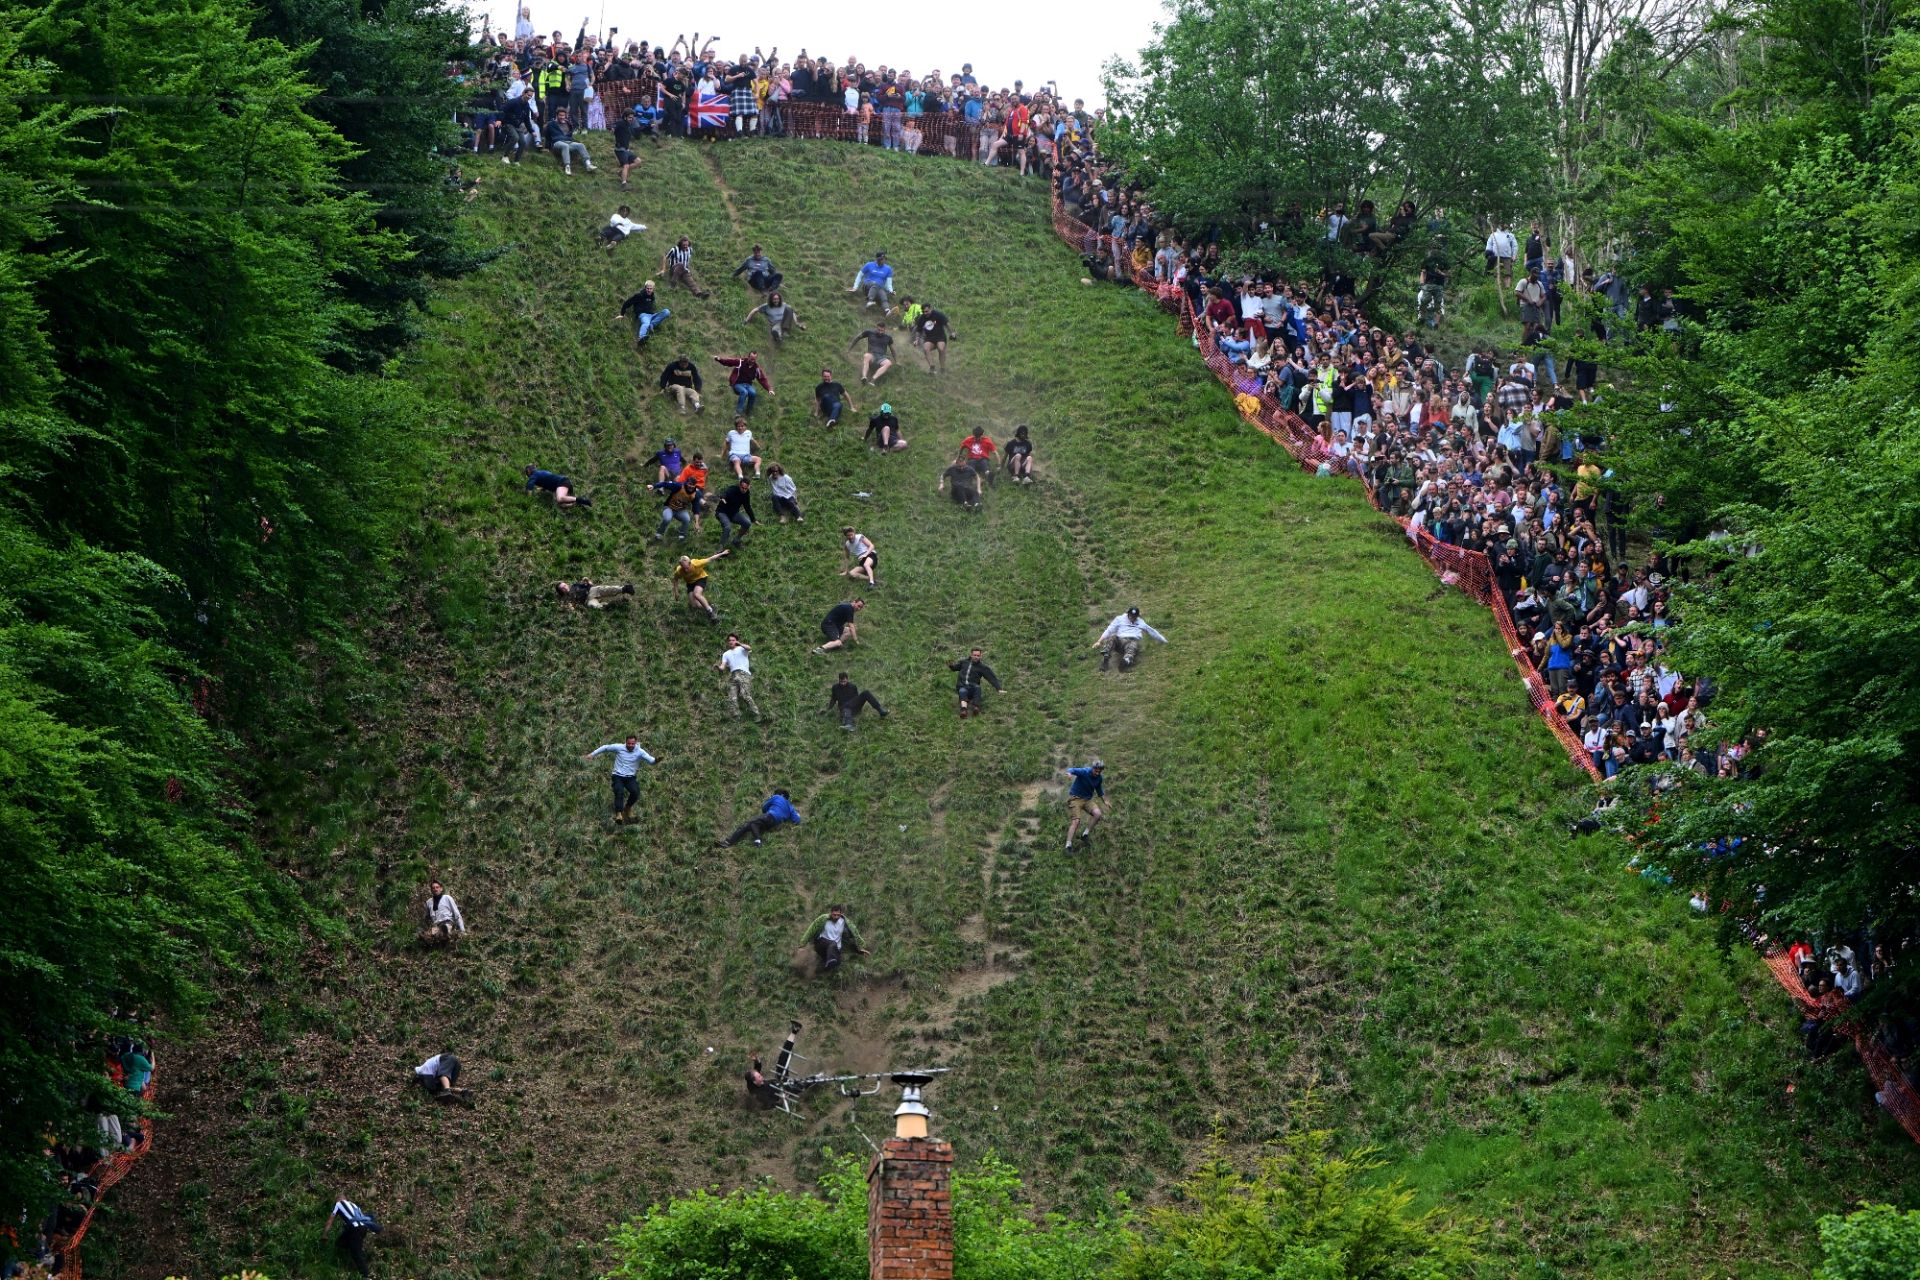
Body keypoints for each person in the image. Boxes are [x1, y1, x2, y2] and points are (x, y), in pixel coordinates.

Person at [584, 734, 659, 825]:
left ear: (635, 743)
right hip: (618, 776)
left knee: (635, 792)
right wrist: (592, 754)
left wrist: (656, 760)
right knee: (619, 791)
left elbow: (651, 761)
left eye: (632, 744)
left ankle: (627, 808)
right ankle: (619, 813)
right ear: (625, 742)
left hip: (630, 777)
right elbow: (605, 747)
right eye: (629, 743)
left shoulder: (640, 752)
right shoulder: (619, 747)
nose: (631, 745)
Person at [800, 904, 870, 973]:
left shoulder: (845, 922)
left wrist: (859, 949)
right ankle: (830, 960)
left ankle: (816, 972)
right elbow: (811, 930)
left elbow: (854, 934)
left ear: (841, 914)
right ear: (830, 913)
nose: (836, 917)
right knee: (832, 944)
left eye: (838, 915)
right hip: (821, 944)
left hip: (835, 949)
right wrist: (802, 945)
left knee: (837, 962)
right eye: (834, 914)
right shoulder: (823, 919)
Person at [720, 788, 802, 847]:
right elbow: (797, 820)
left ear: (780, 794)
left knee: (747, 823)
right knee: (753, 824)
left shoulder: (777, 797)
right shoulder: (791, 807)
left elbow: (764, 808)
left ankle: (729, 842)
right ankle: (756, 841)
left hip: (770, 816)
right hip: (774, 823)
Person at [1096, 606, 1168, 671]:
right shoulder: (1119, 619)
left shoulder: (1141, 622)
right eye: (1131, 616)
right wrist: (1099, 641)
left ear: (1137, 616)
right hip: (1119, 641)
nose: (1132, 618)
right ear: (1128, 614)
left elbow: (1151, 631)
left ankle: (1125, 662)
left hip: (1132, 641)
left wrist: (1163, 640)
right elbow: (1109, 630)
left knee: (1133, 644)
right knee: (1112, 637)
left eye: (1134, 616)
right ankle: (1105, 661)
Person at [327, 1197, 382, 1277]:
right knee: (340, 1243)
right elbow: (360, 1217)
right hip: (363, 1228)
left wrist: (325, 1234)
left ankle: (366, 1274)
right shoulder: (354, 1205)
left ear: (339, 1199)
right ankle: (351, 1261)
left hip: (355, 1228)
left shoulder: (338, 1204)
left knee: (356, 1251)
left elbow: (331, 1219)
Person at [672, 550, 729, 621]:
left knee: (697, 594)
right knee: (695, 605)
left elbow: (711, 558)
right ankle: (711, 606)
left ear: (690, 563)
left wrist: (722, 553)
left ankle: (711, 612)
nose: (686, 570)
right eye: (684, 568)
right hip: (690, 584)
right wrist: (676, 592)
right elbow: (675, 580)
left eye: (687, 567)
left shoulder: (696, 563)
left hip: (700, 578)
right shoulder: (679, 571)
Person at [715, 633, 761, 719]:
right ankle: (736, 716)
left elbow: (749, 648)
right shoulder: (726, 654)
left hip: (744, 674)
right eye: (729, 640)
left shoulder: (742, 649)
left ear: (736, 640)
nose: (731, 642)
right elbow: (723, 666)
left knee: (744, 695)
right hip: (733, 675)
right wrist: (719, 667)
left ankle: (756, 714)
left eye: (733, 640)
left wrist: (739, 644)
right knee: (732, 697)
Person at [948, 647, 1003, 718]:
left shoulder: (982, 667)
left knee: (977, 687)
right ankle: (963, 710)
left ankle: (976, 707)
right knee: (962, 691)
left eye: (978, 656)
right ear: (971, 655)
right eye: (975, 655)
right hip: (962, 686)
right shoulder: (964, 662)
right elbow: (955, 668)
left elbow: (991, 678)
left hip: (973, 688)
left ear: (980, 656)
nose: (976, 657)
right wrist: (951, 666)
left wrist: (999, 688)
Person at [713, 351, 772, 416]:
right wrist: (719, 359)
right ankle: (738, 412)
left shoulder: (756, 368)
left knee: (753, 393)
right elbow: (729, 362)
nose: (752, 361)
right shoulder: (741, 362)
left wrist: (769, 389)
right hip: (737, 384)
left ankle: (748, 413)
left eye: (754, 359)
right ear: (748, 357)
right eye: (751, 359)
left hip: (748, 385)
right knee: (744, 392)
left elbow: (762, 379)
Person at [1063, 760, 1105, 848]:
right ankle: (1068, 845)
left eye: (1099, 771)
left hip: (1087, 800)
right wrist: (1069, 773)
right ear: (1092, 768)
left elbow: (1099, 790)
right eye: (1096, 771)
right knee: (1076, 821)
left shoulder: (1099, 778)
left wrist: (1105, 801)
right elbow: (1072, 769)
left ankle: (1085, 834)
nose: (1097, 773)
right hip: (1075, 798)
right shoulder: (1084, 771)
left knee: (1098, 814)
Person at [543, 106, 594, 174]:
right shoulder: (551, 124)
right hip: (557, 143)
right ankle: (567, 167)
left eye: (563, 115)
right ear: (557, 115)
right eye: (560, 115)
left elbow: (570, 135)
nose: (562, 117)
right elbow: (547, 136)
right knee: (565, 146)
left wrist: (574, 141)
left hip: (568, 142)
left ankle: (588, 164)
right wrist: (547, 147)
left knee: (580, 145)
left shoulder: (568, 124)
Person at [619, 279, 669, 344]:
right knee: (646, 323)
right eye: (647, 288)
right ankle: (641, 337)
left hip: (651, 315)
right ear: (645, 288)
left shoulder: (652, 296)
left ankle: (652, 324)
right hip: (643, 315)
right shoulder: (639, 295)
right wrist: (622, 314)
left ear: (653, 289)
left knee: (666, 311)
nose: (649, 290)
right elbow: (627, 303)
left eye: (651, 288)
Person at [651, 476, 700, 541]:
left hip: (680, 510)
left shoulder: (696, 494)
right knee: (667, 518)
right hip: (669, 507)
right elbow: (665, 484)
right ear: (686, 483)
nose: (691, 486)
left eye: (693, 485)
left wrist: (697, 522)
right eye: (689, 484)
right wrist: (653, 486)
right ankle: (659, 534)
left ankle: (682, 536)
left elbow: (696, 508)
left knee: (687, 519)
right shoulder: (678, 486)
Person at [421, 880, 467, 944]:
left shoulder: (447, 898)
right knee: (426, 936)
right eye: (433, 888)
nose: (435, 889)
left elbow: (457, 914)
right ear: (431, 890)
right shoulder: (429, 902)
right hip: (436, 926)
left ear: (441, 888)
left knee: (444, 929)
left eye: (437, 887)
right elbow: (426, 917)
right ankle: (434, 938)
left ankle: (444, 934)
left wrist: (462, 931)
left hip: (447, 923)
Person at [712, 477, 755, 546]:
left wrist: (753, 519)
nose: (744, 490)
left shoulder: (746, 494)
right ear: (739, 485)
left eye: (746, 488)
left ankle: (736, 540)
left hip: (733, 514)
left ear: (748, 487)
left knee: (747, 523)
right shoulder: (732, 489)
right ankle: (720, 548)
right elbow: (725, 493)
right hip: (722, 512)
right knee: (728, 527)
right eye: (742, 488)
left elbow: (747, 507)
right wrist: (723, 497)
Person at [524, 464, 590, 508]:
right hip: (563, 484)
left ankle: (582, 500)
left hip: (562, 482)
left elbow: (529, 486)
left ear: (529, 471)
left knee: (560, 498)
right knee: (561, 504)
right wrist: (542, 489)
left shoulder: (534, 475)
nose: (527, 475)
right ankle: (574, 503)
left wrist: (528, 499)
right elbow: (548, 481)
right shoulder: (542, 472)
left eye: (527, 472)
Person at [917, 304, 955, 373]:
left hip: (940, 336)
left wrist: (952, 333)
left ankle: (942, 368)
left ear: (930, 309)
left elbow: (946, 324)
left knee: (941, 348)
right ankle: (932, 367)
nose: (925, 313)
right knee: (926, 348)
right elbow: (918, 331)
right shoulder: (922, 318)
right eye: (923, 312)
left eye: (926, 311)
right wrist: (916, 340)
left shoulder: (938, 314)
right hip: (929, 338)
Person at [554, 579, 634, 609]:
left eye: (564, 585)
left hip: (591, 591)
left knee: (604, 589)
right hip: (587, 600)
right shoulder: (566, 599)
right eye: (562, 588)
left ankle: (625, 589)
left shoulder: (574, 586)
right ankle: (611, 605)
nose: (564, 587)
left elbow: (588, 584)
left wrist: (588, 582)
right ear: (561, 591)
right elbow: (570, 608)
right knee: (593, 606)